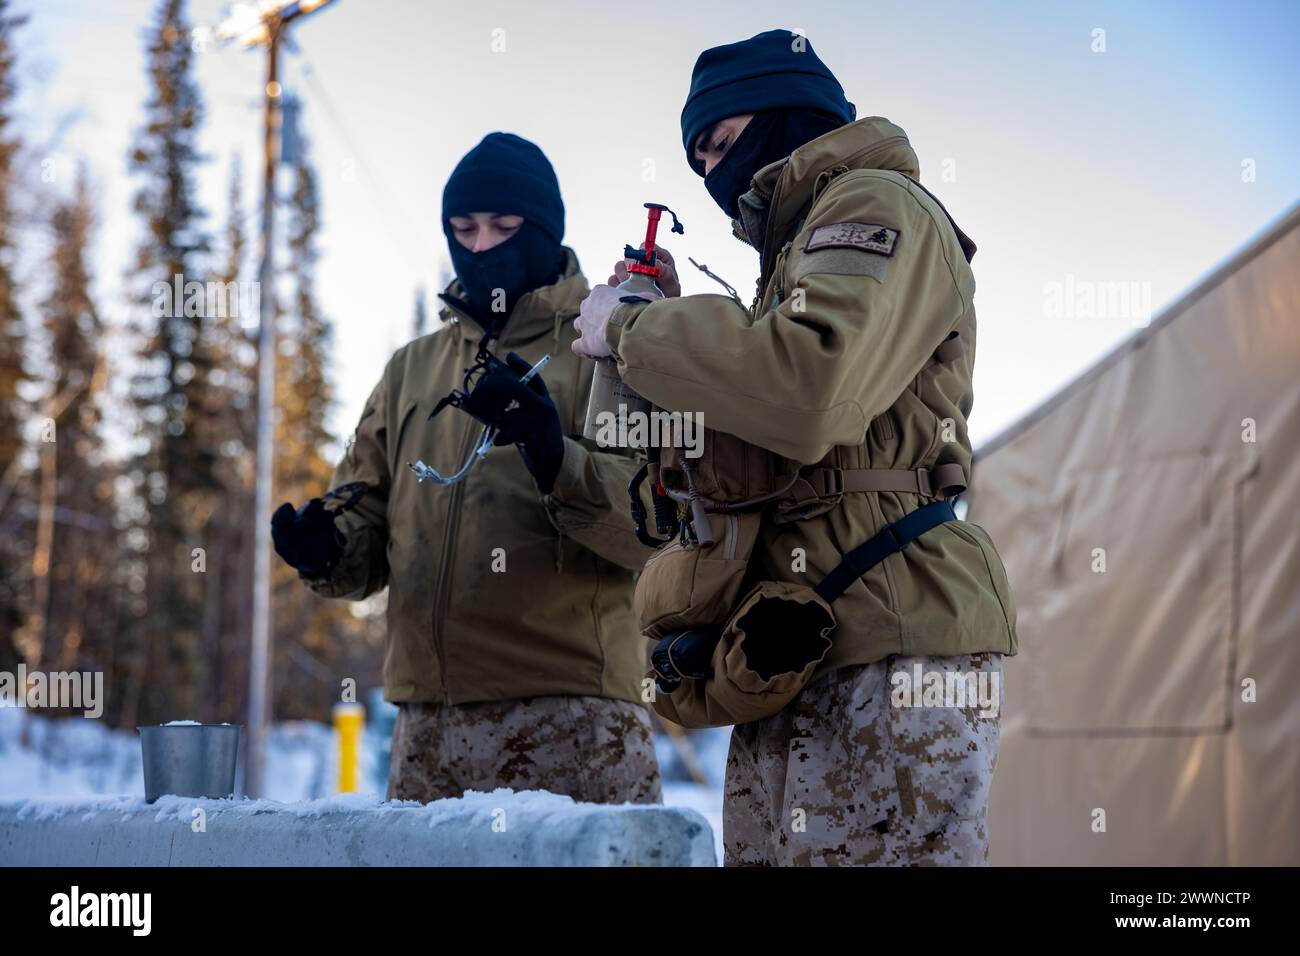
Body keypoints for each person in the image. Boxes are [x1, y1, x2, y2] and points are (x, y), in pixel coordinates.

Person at [573, 31, 1017, 864]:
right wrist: (660, 338)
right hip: (791, 645)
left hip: (891, 637)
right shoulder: (793, 257)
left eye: (721, 138)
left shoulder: (876, 203)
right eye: (697, 156)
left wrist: (636, 328)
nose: (711, 169)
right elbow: (696, 443)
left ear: (786, 108)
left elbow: (810, 390)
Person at [273, 132, 662, 805]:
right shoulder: (411, 369)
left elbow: (655, 528)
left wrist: (553, 454)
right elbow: (362, 512)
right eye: (464, 228)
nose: (482, 245)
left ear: (544, 230)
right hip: (425, 728)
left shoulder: (609, 345)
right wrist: (328, 546)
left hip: (572, 720)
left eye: (505, 227)